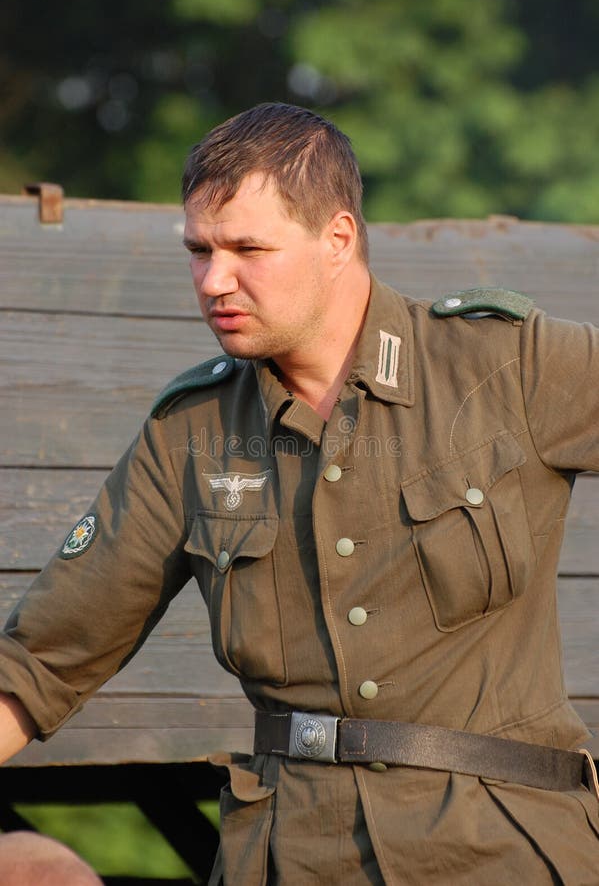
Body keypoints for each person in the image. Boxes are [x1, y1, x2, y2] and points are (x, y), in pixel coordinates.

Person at [0, 102, 598, 885]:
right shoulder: (193, 433)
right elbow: (43, 659)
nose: (216, 281)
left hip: (500, 844)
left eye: (248, 248)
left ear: (337, 240)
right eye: (199, 251)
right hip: (291, 854)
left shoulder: (502, 366)